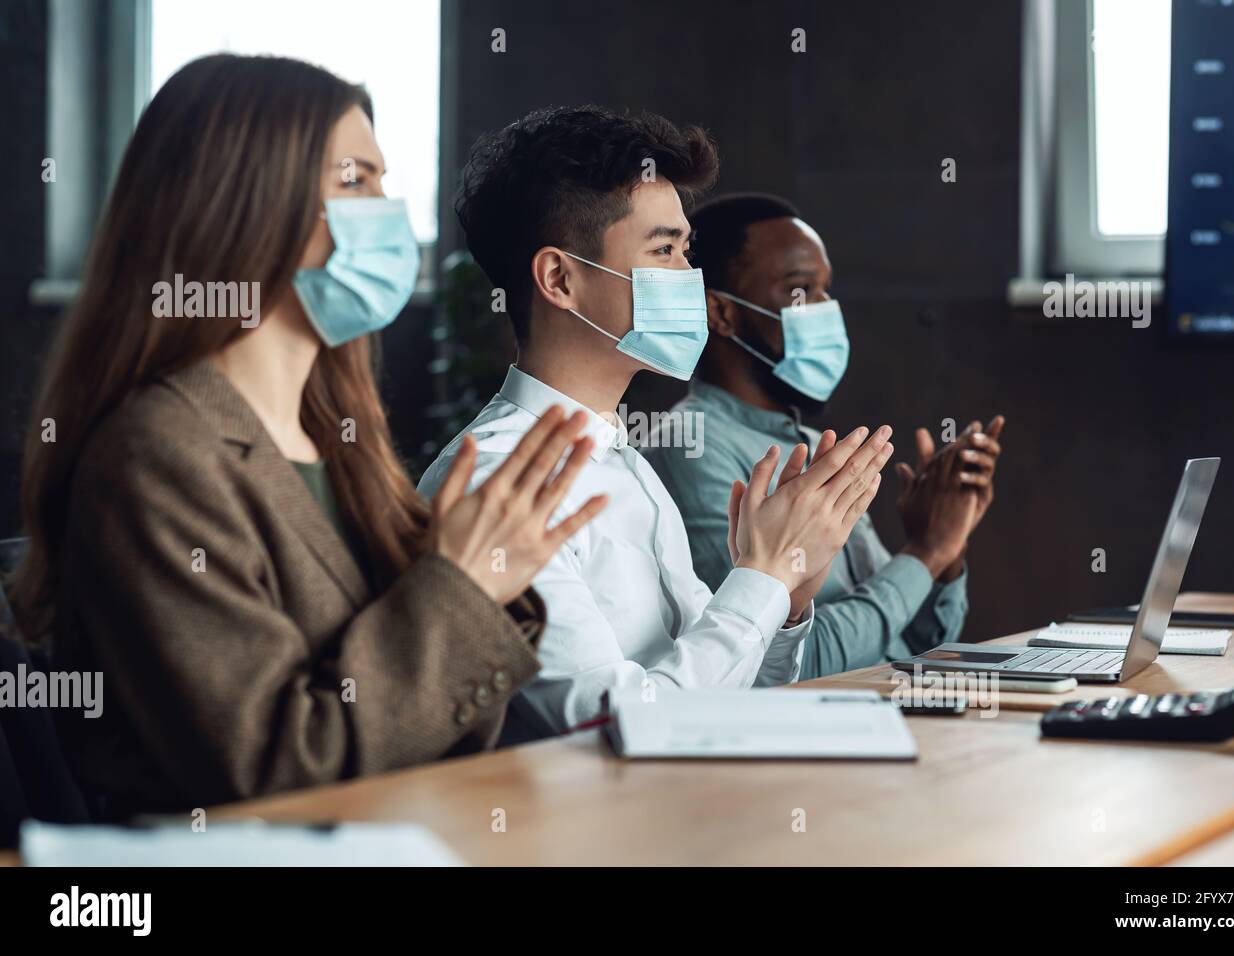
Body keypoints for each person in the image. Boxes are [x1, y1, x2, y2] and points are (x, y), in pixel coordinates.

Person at [10, 55, 604, 818]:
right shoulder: (157, 453)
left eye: (385, 182)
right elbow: (269, 766)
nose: (387, 212)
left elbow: (434, 730)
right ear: (242, 201)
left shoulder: (339, 438)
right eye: (354, 181)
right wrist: (463, 588)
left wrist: (484, 577)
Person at [419, 108, 894, 743]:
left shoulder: (627, 463)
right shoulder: (494, 485)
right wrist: (762, 578)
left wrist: (788, 600)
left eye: (685, 251)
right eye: (664, 250)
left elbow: (731, 699)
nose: (689, 282)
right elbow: (622, 724)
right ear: (560, 279)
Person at [645, 193, 1005, 679]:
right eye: (800, 290)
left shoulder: (816, 444)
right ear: (720, 312)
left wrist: (945, 543)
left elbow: (922, 646)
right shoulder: (690, 448)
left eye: (824, 290)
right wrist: (924, 555)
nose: (824, 309)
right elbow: (785, 665)